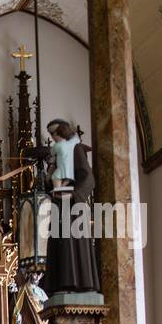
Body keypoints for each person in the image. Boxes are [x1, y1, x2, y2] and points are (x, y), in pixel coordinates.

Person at [43, 119, 100, 294]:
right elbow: (51, 186)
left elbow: (89, 179)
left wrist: (73, 194)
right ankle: (62, 285)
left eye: (54, 133)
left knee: (73, 244)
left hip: (74, 206)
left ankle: (80, 285)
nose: (53, 137)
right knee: (59, 243)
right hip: (59, 205)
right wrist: (50, 170)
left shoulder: (76, 149)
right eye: (51, 134)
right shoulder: (58, 154)